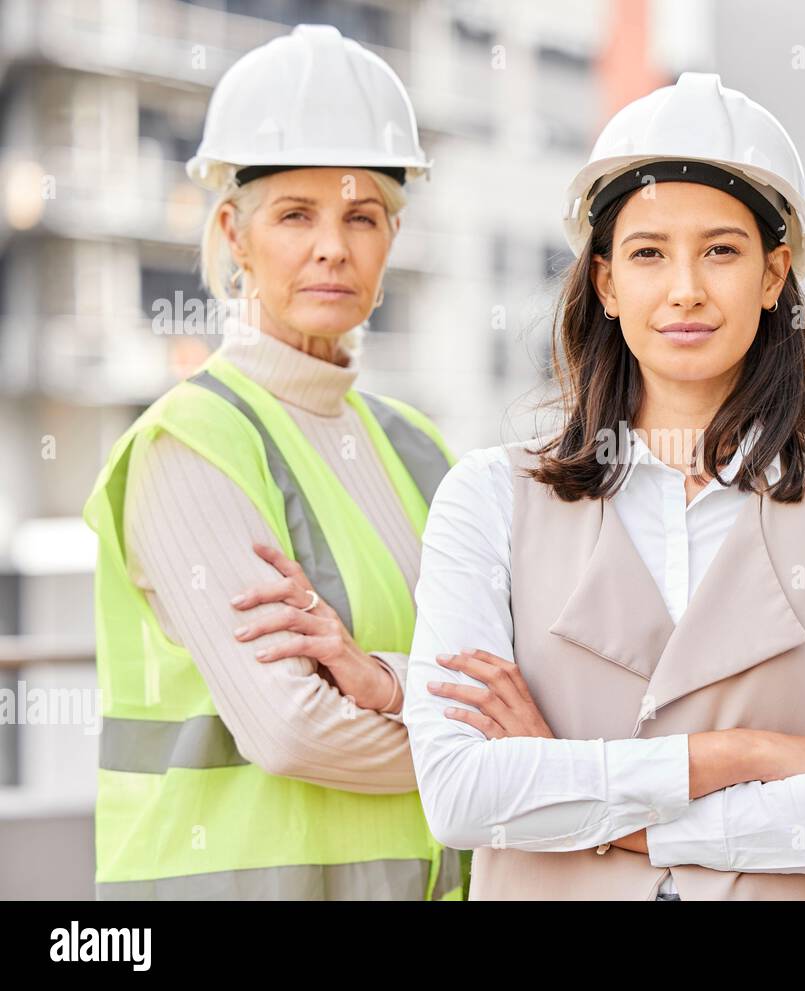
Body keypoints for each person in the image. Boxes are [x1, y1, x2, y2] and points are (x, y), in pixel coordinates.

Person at [402, 72, 805, 900]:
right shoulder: (486, 499)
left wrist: (588, 797)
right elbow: (462, 795)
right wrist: (740, 756)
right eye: (649, 252)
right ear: (608, 282)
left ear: (773, 275)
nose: (685, 287)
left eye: (721, 250)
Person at [83, 24, 461, 900]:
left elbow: (502, 673)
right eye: (296, 215)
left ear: (391, 241)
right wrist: (492, 762)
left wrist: (393, 687)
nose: (334, 245)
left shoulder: (420, 446)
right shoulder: (192, 443)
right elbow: (292, 730)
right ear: (234, 233)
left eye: (362, 216)